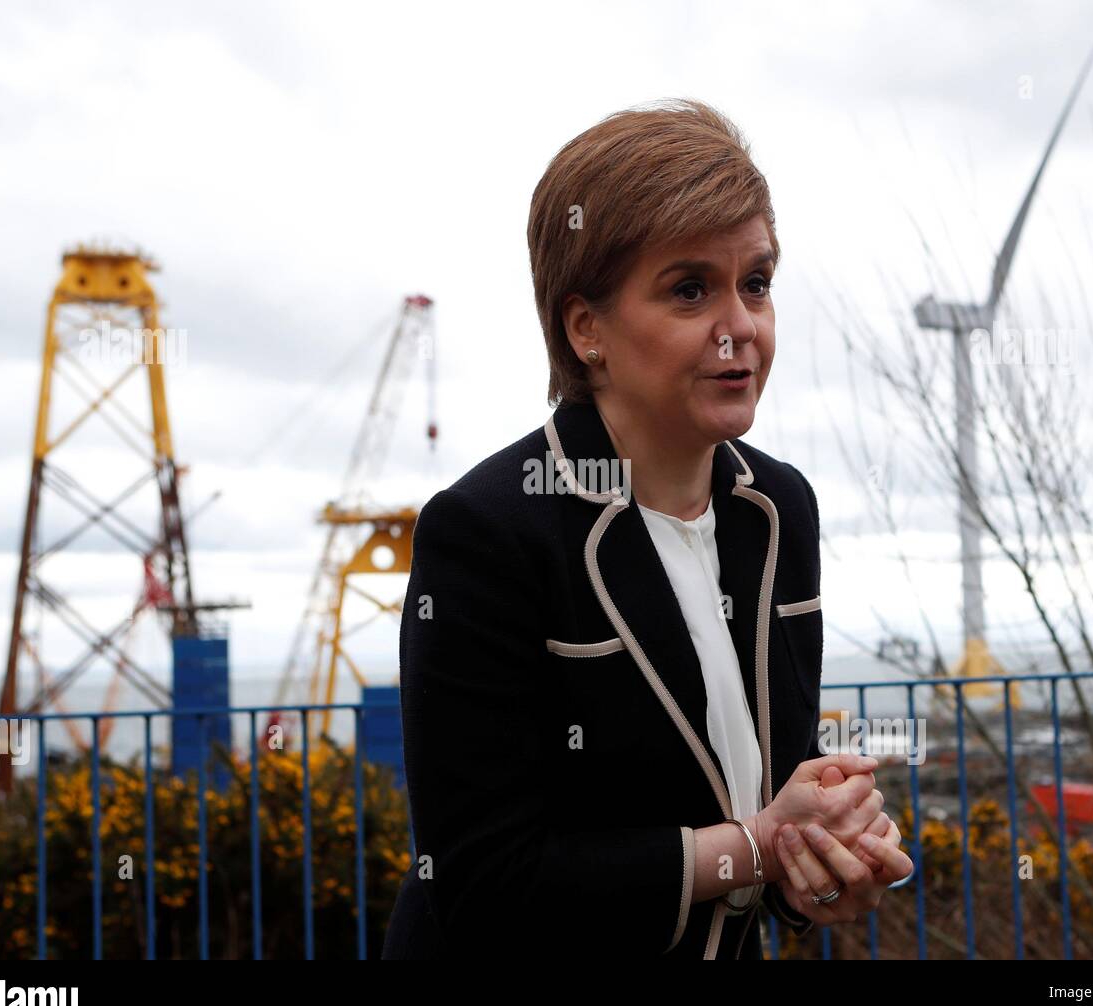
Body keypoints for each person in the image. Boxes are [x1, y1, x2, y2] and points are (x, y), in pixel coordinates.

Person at [382, 99, 912, 960]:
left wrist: (821, 862)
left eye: (757, 283)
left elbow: (769, 795)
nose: (740, 324)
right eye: (690, 289)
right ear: (585, 327)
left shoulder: (778, 510)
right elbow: (485, 883)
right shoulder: (487, 533)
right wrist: (758, 844)